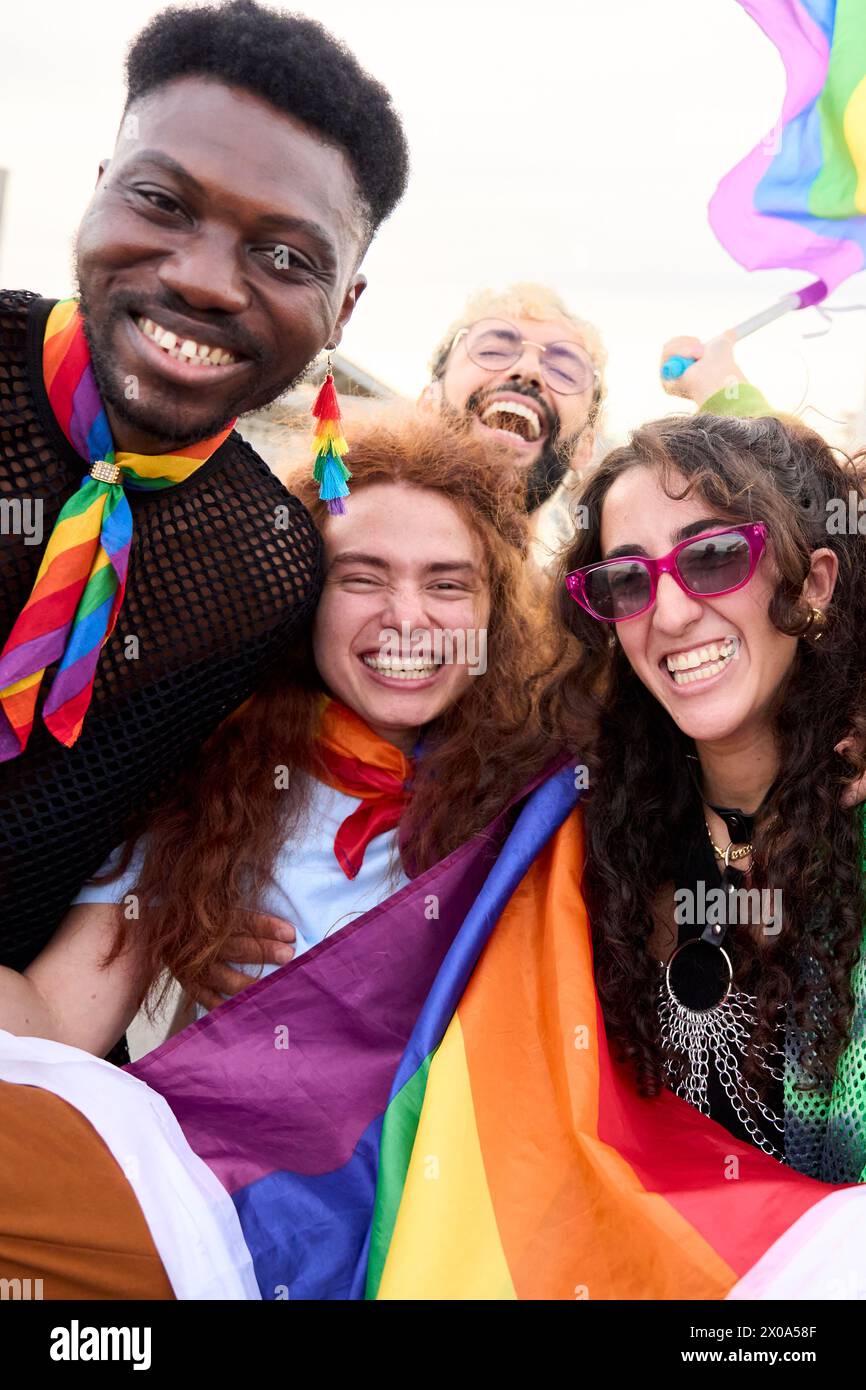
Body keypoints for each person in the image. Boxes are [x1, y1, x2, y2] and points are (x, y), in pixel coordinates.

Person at [0, 0, 409, 1036]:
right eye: (163, 203)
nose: (200, 279)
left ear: (344, 307)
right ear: (99, 193)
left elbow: (113, 852)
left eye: (284, 257)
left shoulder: (267, 577)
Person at [0, 407, 557, 1056]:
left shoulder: (539, 799)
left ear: (495, 613)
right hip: (223, 1155)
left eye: (447, 583)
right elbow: (53, 1026)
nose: (407, 617)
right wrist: (195, 915)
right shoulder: (207, 779)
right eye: (361, 577)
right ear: (303, 598)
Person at [553, 411, 866, 1179]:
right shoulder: (580, 838)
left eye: (716, 556)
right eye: (628, 579)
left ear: (814, 582)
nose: (672, 613)